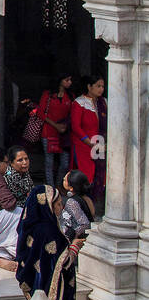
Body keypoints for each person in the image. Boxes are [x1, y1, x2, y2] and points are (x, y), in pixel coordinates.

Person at [14, 183, 81, 300]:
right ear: (47, 205)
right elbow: (63, 263)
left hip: (36, 285)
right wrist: (74, 248)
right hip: (51, 290)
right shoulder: (49, 231)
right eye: (57, 204)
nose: (61, 208)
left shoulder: (31, 226)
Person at [70, 75, 105, 208]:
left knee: (100, 175)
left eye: (102, 86)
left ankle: (97, 205)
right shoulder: (79, 103)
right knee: (86, 176)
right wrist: (88, 141)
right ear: (89, 87)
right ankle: (83, 206)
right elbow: (76, 127)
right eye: (98, 86)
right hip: (83, 146)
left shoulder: (103, 103)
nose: (101, 89)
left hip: (100, 144)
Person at [36, 75, 73, 187]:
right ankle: (50, 187)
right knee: (49, 162)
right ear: (60, 80)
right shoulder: (48, 95)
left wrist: (65, 126)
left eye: (70, 80)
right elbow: (40, 113)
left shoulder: (70, 96)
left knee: (65, 163)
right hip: (49, 132)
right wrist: (55, 125)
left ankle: (59, 185)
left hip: (64, 134)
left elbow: (72, 114)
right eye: (67, 80)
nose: (70, 83)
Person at [59, 169, 96, 241]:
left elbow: (85, 224)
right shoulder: (87, 198)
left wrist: (72, 235)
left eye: (65, 180)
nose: (63, 179)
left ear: (71, 187)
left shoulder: (72, 202)